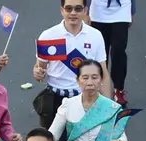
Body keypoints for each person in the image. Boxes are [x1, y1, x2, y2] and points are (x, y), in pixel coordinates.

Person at [32, 0, 109, 129]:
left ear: (85, 10)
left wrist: (108, 107)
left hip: (85, 97)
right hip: (55, 99)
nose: (73, 13)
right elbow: (39, 68)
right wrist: (37, 73)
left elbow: (104, 74)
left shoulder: (95, 36)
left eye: (78, 9)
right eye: (68, 9)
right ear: (62, 10)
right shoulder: (48, 36)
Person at [89, 0, 133, 105]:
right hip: (98, 9)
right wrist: (86, 9)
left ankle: (119, 89)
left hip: (122, 8)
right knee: (100, 52)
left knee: (119, 51)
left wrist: (132, 10)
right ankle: (99, 88)